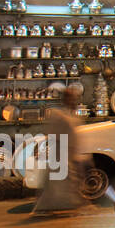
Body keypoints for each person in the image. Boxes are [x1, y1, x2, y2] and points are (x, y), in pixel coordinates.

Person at [32, 82, 88, 215]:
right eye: (72, 99)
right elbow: (52, 135)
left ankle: (57, 207)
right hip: (60, 154)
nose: (75, 101)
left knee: (62, 183)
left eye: (75, 99)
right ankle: (47, 208)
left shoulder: (71, 116)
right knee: (58, 183)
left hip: (67, 154)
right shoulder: (59, 115)